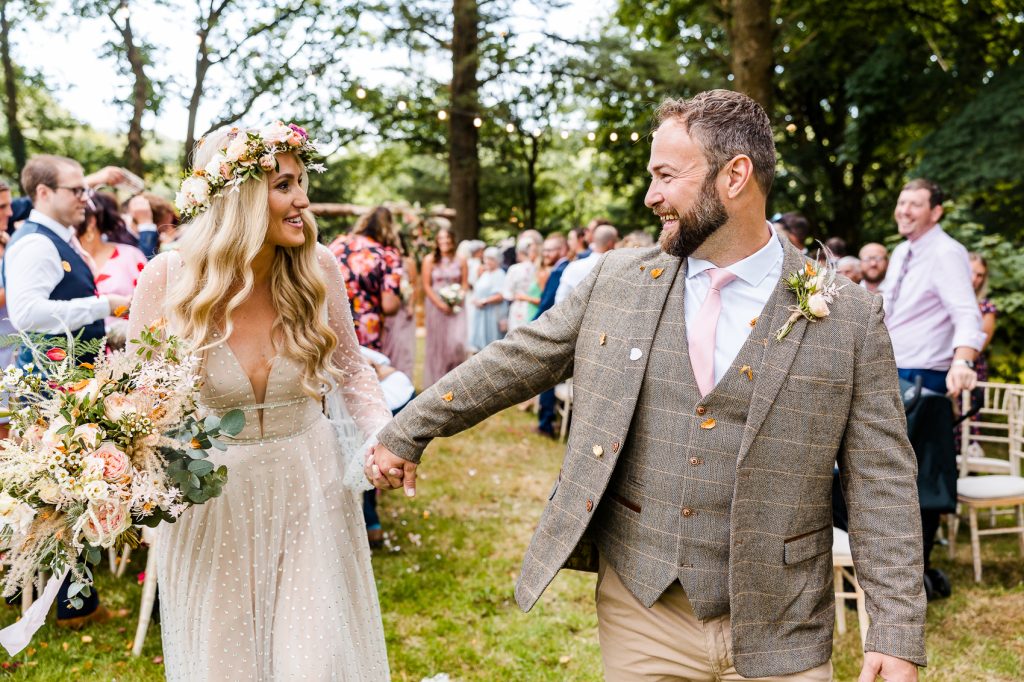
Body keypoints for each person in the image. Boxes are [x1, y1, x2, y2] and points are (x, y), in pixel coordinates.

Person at [368, 90, 926, 681]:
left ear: (735, 176)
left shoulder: (849, 315)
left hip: (782, 621)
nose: (650, 195)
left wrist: (894, 632)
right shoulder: (616, 282)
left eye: (665, 175)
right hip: (642, 611)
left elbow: (882, 479)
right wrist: (409, 428)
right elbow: (517, 359)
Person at [128, 122, 392, 680]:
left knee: (314, 661)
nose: (302, 200)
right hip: (211, 498)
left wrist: (383, 435)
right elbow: (138, 401)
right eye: (284, 185)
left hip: (309, 484)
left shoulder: (318, 269)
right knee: (227, 666)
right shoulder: (168, 279)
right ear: (239, 198)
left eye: (300, 183)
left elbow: (353, 371)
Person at [1, 155, 131, 629]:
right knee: (63, 493)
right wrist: (107, 303)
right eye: (75, 190)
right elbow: (28, 313)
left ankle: (64, 599)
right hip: (51, 388)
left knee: (68, 491)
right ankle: (72, 605)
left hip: (69, 380)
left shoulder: (54, 238)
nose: (85, 197)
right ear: (43, 194)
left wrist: (112, 328)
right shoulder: (35, 244)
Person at [880, 177, 985, 587]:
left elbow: (966, 313)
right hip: (891, 372)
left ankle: (916, 572)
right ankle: (889, 562)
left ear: (935, 211)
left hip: (925, 379)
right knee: (885, 473)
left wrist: (962, 360)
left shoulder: (947, 252)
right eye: (901, 202)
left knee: (920, 480)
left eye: (915, 204)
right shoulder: (902, 250)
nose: (904, 210)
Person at [328, 206, 403, 352]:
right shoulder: (387, 254)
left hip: (330, 323)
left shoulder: (338, 244)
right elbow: (389, 306)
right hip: (365, 330)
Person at [76, 192, 148, 329]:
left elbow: (151, 303)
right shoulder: (66, 259)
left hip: (127, 344)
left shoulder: (130, 256)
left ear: (91, 222)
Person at [532, 234, 570, 439]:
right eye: (544, 250)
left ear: (563, 250)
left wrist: (533, 323)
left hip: (552, 330)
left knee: (547, 378)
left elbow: (547, 303)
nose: (546, 254)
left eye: (551, 250)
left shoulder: (560, 271)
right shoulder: (561, 268)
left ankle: (546, 424)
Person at [422, 226, 468, 387]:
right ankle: (437, 381)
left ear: (452, 240)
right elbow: (426, 286)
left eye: (447, 238)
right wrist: (441, 304)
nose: (444, 241)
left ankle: (455, 379)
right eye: (441, 238)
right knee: (438, 344)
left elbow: (464, 284)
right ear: (437, 241)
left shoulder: (461, 260)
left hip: (457, 307)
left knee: (457, 343)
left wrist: (457, 299)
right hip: (436, 307)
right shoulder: (429, 260)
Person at [380, 233, 418, 378]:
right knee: (387, 345)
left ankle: (404, 377)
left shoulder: (408, 262)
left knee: (403, 346)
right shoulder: (384, 259)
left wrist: (411, 305)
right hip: (387, 308)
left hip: (403, 309)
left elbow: (414, 284)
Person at [555, 224, 618, 304]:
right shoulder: (615, 267)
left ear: (594, 240)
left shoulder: (573, 266)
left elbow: (560, 298)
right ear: (611, 243)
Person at [468, 247, 506, 352]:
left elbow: (500, 296)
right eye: (486, 258)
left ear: (497, 260)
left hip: (492, 313)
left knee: (490, 341)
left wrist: (484, 301)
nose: (487, 262)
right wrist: (475, 300)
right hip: (480, 313)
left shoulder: (499, 274)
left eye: (491, 259)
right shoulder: (485, 273)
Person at [969, 253, 997, 382]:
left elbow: (980, 345)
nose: (974, 279)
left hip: (970, 369)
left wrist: (960, 363)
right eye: (971, 272)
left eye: (980, 275)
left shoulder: (986, 307)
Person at [503, 238, 539, 333]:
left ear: (519, 252)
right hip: (534, 306)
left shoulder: (514, 269)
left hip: (518, 307)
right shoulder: (538, 268)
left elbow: (507, 293)